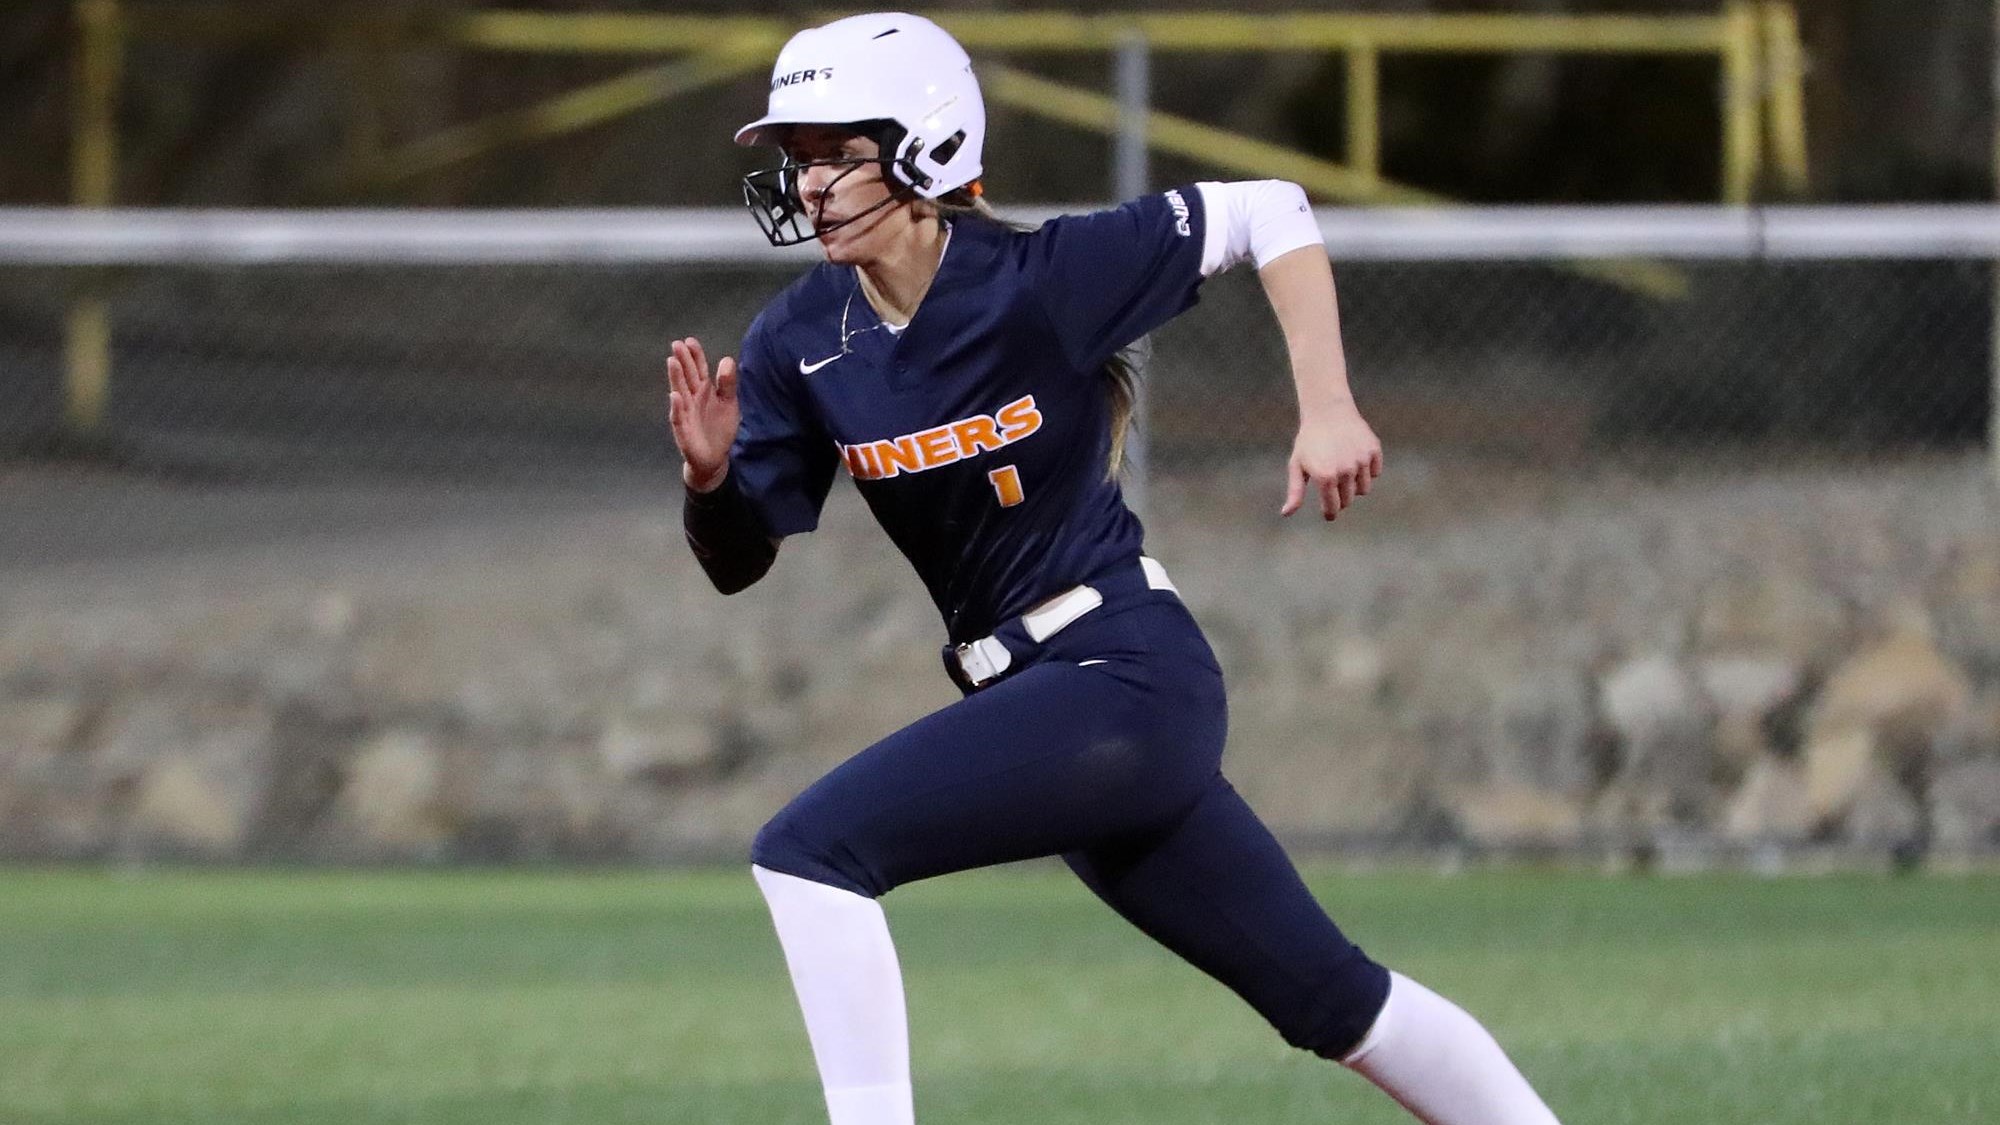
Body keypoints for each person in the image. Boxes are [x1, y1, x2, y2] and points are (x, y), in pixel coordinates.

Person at [667, 12, 1560, 1125]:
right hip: (1051, 707)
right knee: (1336, 1002)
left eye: (836, 151)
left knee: (806, 853)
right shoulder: (798, 339)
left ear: (927, 145)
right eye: (795, 158)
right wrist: (710, 486)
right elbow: (739, 563)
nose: (807, 184)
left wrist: (1326, 406)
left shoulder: (1039, 279)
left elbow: (1266, 210)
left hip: (1121, 676)